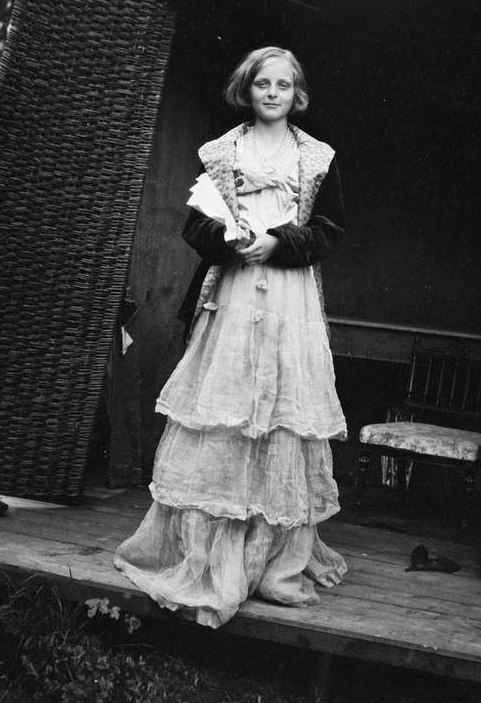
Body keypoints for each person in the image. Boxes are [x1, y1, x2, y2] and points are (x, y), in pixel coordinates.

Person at [114, 46, 348, 628]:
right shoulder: (223, 152)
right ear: (246, 90)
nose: (273, 93)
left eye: (284, 85)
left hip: (290, 296)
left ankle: (278, 560)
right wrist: (231, 240)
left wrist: (282, 243)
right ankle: (212, 550)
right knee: (230, 406)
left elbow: (330, 228)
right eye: (262, 84)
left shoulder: (317, 157)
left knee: (282, 411)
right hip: (235, 293)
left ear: (298, 94)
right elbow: (195, 222)